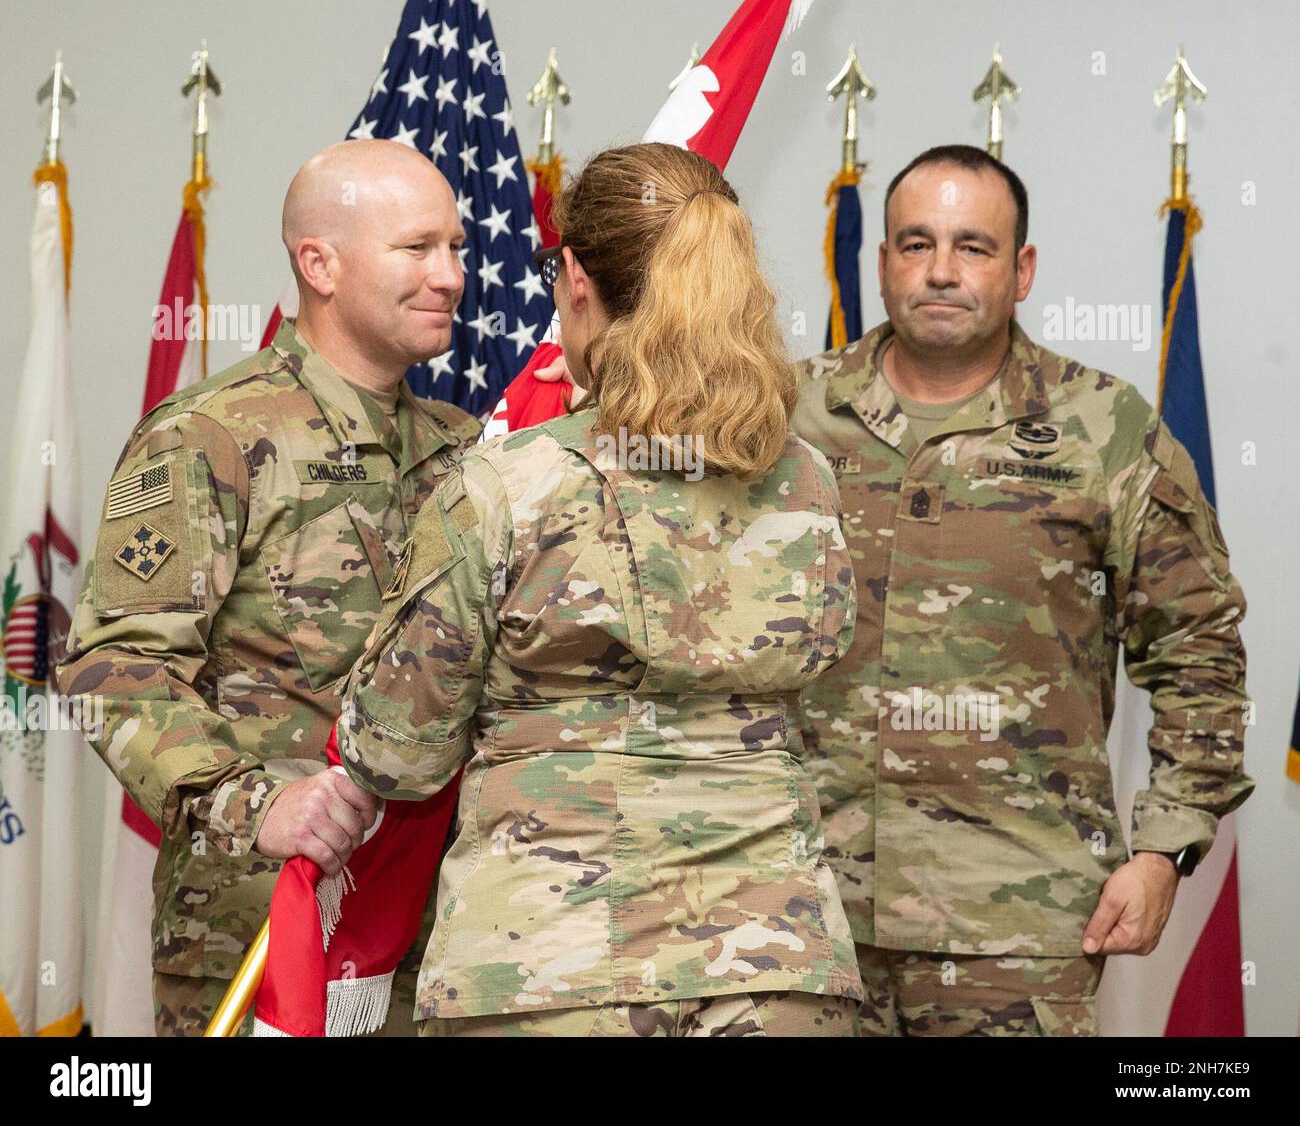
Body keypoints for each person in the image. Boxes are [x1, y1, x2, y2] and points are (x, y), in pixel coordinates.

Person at [337, 142, 864, 1037]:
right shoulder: (808, 480)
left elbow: (400, 752)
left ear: (575, 279)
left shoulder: (502, 483)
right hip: (775, 961)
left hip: (547, 967)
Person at [791, 143, 1254, 1036]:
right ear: (882, 262)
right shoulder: (789, 413)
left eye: (974, 247)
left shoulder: (1102, 427)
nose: (941, 271)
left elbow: (1200, 648)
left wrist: (1163, 849)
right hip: (804, 915)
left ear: (1023, 268)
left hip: (1015, 926)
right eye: (915, 243)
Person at [57, 139, 485, 1035]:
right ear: (318, 263)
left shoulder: (468, 447)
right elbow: (114, 671)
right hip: (258, 933)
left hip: (434, 938)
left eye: (457, 246)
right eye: (418, 248)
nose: (450, 275)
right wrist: (257, 803)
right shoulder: (210, 436)